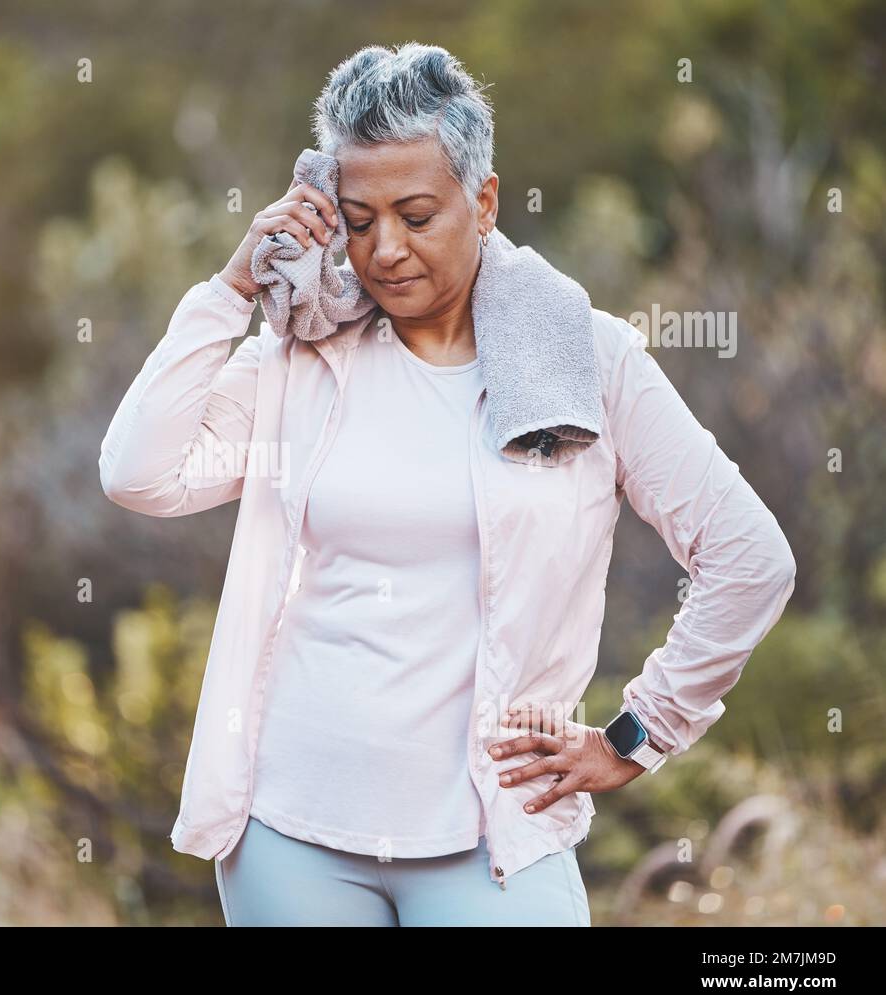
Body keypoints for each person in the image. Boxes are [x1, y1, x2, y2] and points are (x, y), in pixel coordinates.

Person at [98, 43, 797, 926]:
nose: (385, 250)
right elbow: (138, 472)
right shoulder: (303, 355)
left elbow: (749, 559)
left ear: (486, 201)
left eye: (418, 214)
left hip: (494, 846)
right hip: (290, 839)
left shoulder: (589, 362)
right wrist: (236, 284)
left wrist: (637, 735)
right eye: (358, 219)